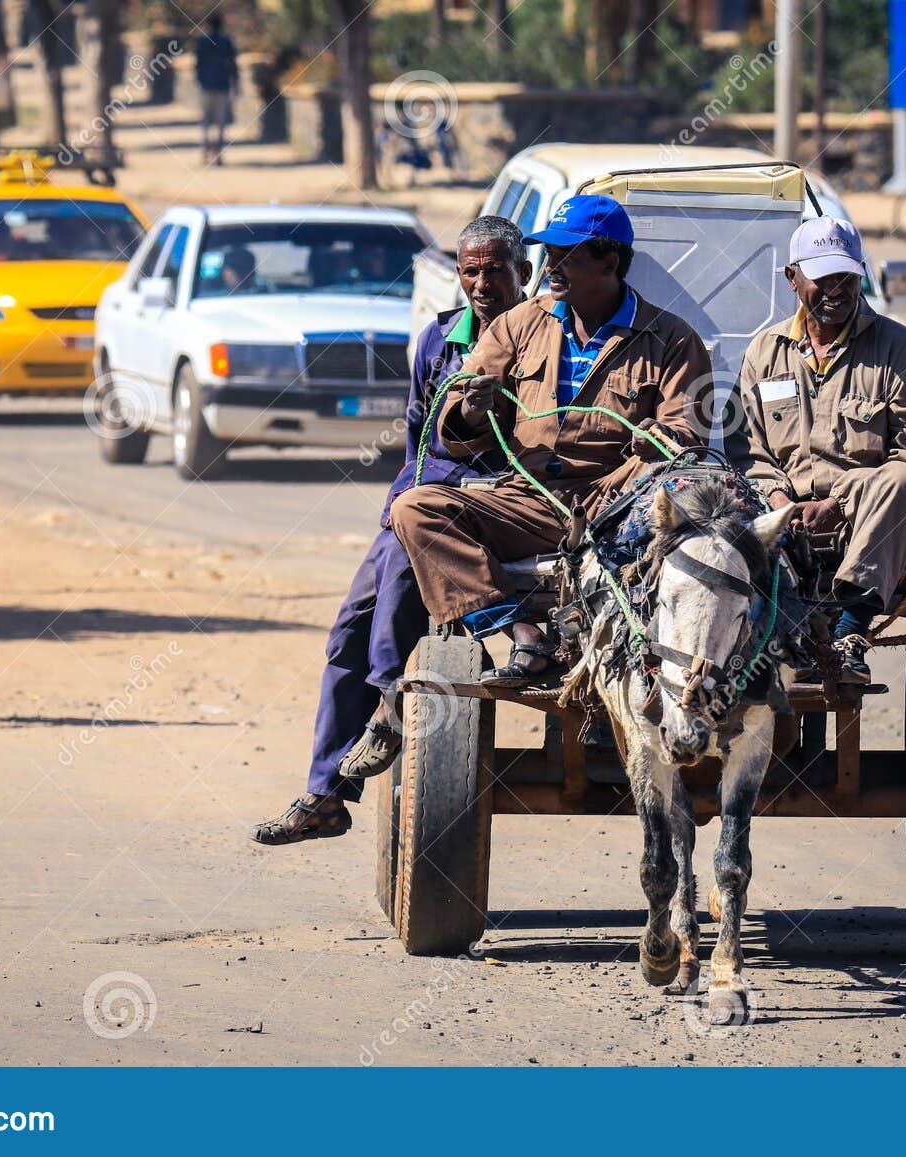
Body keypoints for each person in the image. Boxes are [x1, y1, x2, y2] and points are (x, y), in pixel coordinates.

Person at [252, 217, 532, 844]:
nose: (482, 282)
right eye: (470, 270)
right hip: (425, 495)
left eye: (495, 270)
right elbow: (417, 434)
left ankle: (390, 707)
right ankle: (325, 793)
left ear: (525, 274)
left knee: (404, 578)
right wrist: (401, 500)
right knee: (349, 626)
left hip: (497, 505)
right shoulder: (438, 340)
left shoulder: (542, 341)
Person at [389, 194, 713, 686]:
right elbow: (455, 420)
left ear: (609, 260)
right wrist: (473, 407)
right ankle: (522, 634)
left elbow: (686, 437)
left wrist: (657, 439)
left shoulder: (670, 338)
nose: (551, 265)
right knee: (414, 508)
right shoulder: (518, 324)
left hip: (621, 511)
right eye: (549, 252)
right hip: (530, 502)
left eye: (567, 254)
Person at [730, 216, 906, 685]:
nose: (836, 289)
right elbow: (748, 450)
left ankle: (851, 631)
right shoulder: (765, 351)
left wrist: (839, 504)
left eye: (846, 277)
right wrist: (781, 504)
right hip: (788, 528)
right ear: (793, 278)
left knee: (896, 479)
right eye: (822, 278)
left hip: (883, 526)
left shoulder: (904, 350)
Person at [194, 13, 240, 165]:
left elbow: (198, 65)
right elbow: (232, 64)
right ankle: (218, 152)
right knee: (220, 121)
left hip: (206, 85)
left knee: (206, 119)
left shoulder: (202, 42)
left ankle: (205, 148)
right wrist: (236, 83)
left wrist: (200, 81)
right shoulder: (226, 42)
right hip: (222, 85)